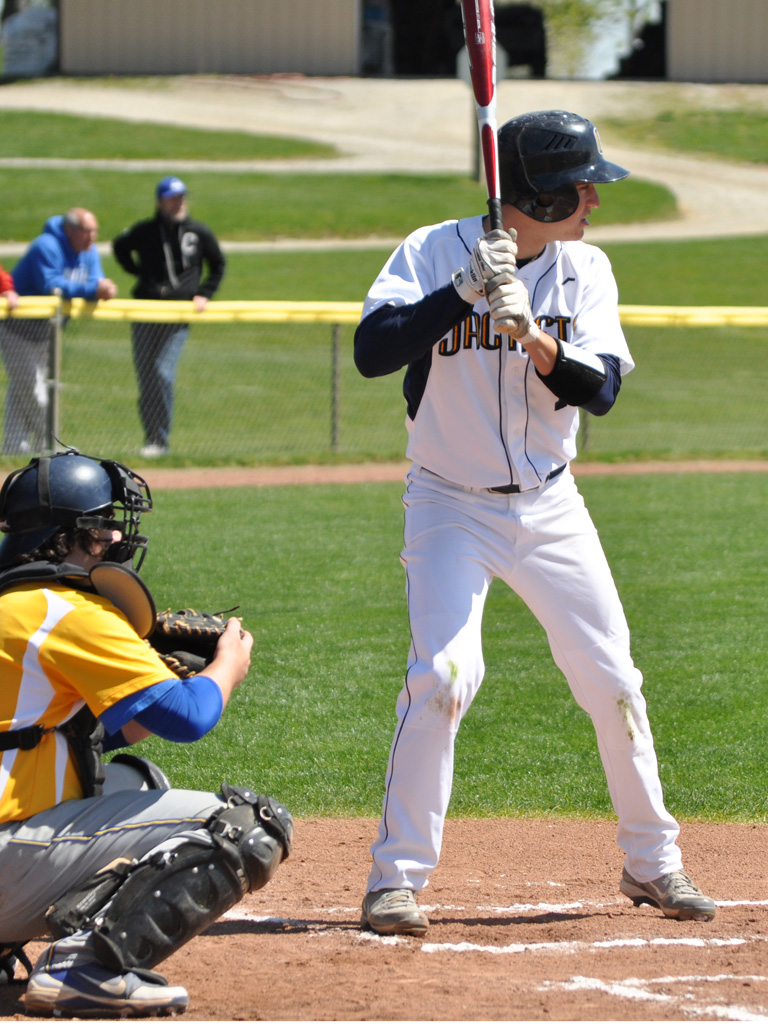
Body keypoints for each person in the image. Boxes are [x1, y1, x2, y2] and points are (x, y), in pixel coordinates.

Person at [353, 110, 715, 937]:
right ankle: (395, 880)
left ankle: (652, 861)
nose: (596, 199)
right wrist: (463, 292)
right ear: (541, 196)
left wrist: (535, 340)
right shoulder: (433, 250)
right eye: (582, 186)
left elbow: (602, 391)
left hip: (552, 505)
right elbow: (374, 351)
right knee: (444, 677)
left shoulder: (587, 268)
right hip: (449, 503)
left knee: (613, 678)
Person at [0, 448, 292, 1018]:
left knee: (131, 781)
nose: (115, 537)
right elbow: (188, 717)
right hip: (8, 866)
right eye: (103, 526)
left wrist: (155, 684)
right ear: (70, 538)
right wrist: (225, 668)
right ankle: (84, 966)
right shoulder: (68, 611)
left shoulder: (15, 607)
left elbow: (70, 736)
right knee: (247, 825)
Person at [112, 177, 226, 458]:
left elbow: (218, 263)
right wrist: (139, 273)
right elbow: (120, 247)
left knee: (162, 371)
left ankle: (160, 441)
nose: (179, 203)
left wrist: (204, 293)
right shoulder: (146, 231)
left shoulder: (197, 232)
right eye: (173, 199)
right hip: (145, 311)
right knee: (146, 374)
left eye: (182, 198)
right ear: (160, 202)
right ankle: (151, 437)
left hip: (177, 314)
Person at [1, 209, 117, 457]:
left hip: (48, 333)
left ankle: (13, 449)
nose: (92, 237)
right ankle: (52, 446)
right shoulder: (46, 246)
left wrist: (103, 287)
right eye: (87, 231)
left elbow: (96, 280)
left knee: (21, 391)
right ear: (69, 230)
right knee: (34, 392)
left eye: (95, 231)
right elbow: (50, 285)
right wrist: (93, 290)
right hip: (17, 329)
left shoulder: (88, 251)